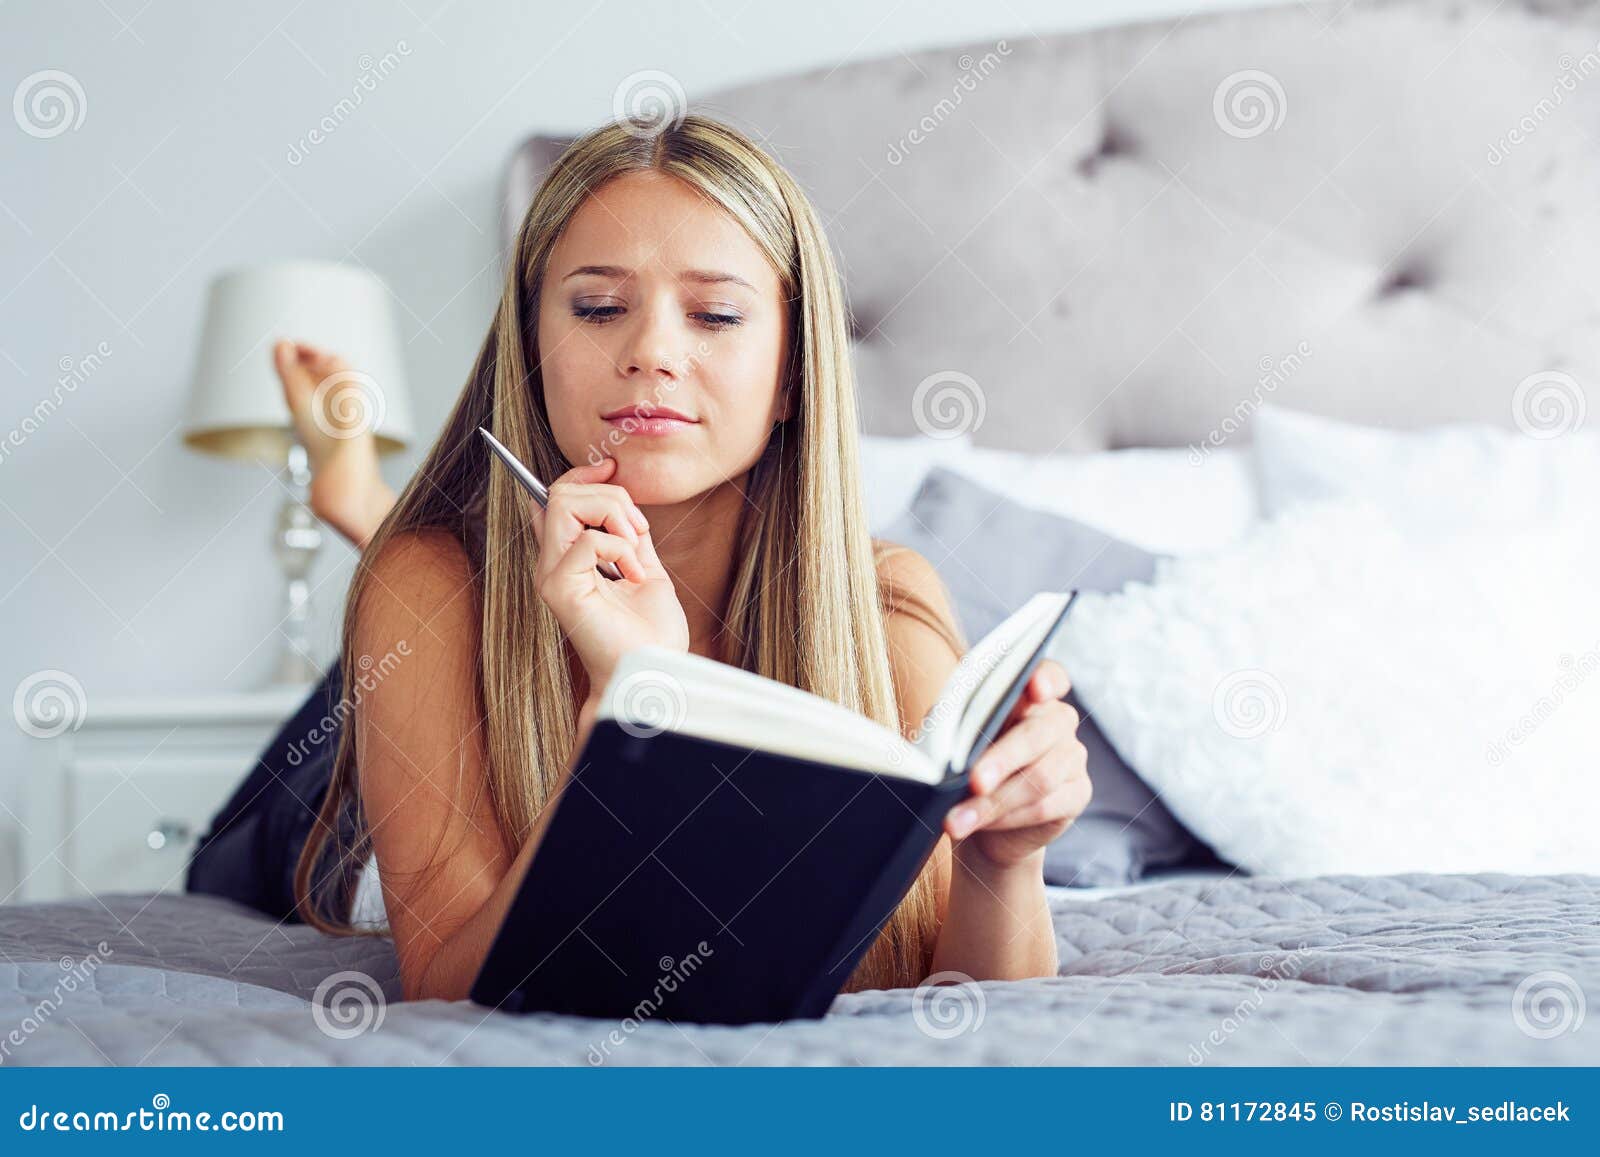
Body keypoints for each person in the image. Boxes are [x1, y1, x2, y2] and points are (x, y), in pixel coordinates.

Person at [189, 114, 1091, 1003]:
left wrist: (1004, 859)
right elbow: (446, 984)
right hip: (320, 814)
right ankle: (359, 504)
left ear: (790, 375)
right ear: (533, 349)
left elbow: (964, 992)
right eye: (598, 307)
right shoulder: (424, 588)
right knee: (419, 587)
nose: (652, 352)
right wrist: (628, 716)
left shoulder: (890, 603)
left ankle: (364, 503)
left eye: (716, 314)